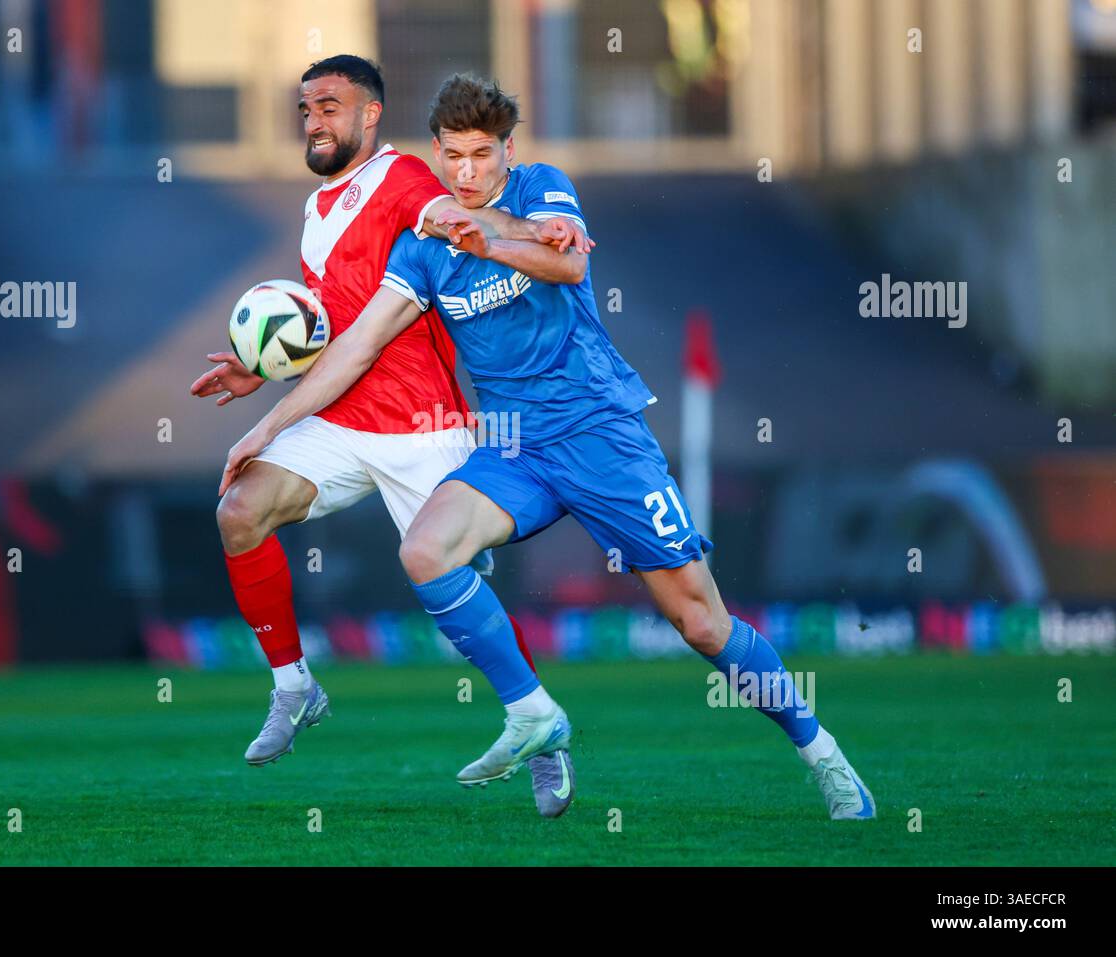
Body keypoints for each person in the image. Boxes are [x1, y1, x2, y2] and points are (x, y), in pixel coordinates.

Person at [221, 74, 877, 821]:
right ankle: (535, 714)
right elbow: (357, 348)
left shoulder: (542, 191)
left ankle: (820, 750)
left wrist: (497, 237)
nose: (467, 173)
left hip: (601, 435)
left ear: (509, 151)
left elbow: (568, 264)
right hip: (516, 449)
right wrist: (266, 426)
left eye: (482, 156)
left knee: (701, 623)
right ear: (436, 153)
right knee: (425, 551)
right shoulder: (424, 250)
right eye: (454, 157)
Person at [192, 56, 588, 818]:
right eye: (306, 107)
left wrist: (540, 226)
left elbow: (453, 218)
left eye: (331, 106)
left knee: (460, 607)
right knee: (239, 510)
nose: (314, 119)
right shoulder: (319, 208)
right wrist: (260, 367)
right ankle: (294, 686)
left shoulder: (404, 179)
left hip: (421, 427)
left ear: (370, 115)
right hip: (338, 421)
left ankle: (545, 734)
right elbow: (330, 327)